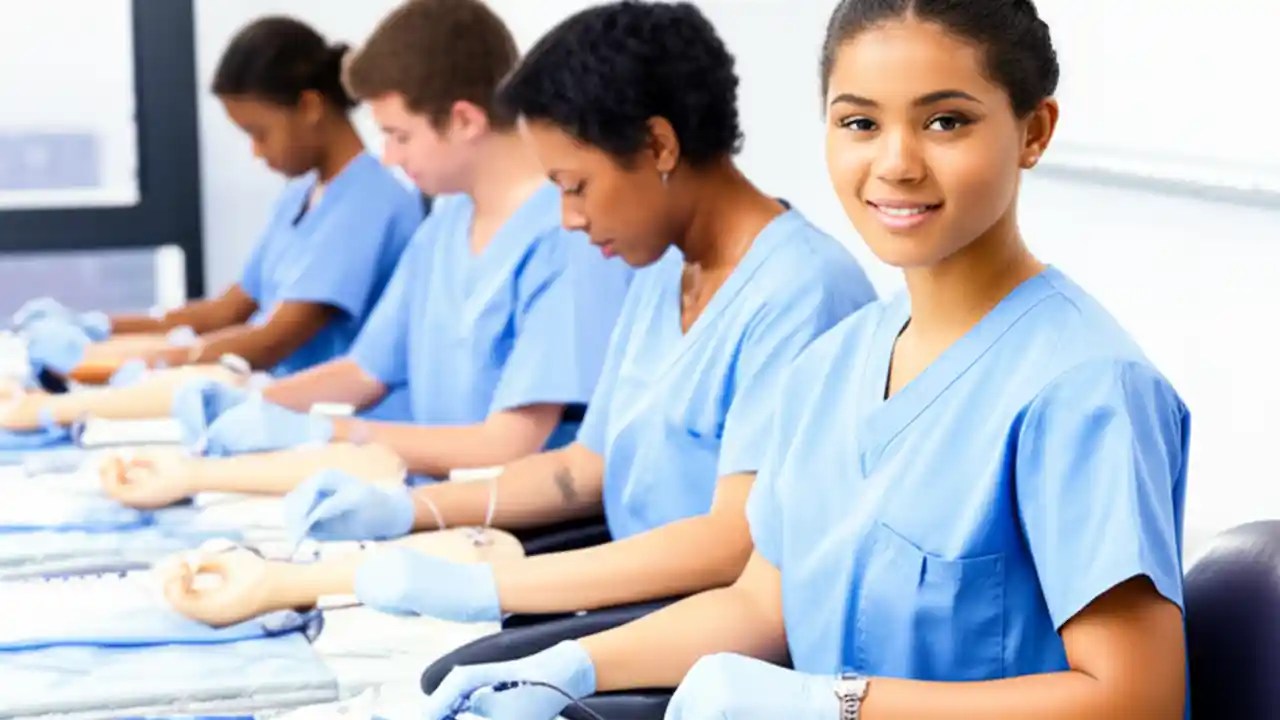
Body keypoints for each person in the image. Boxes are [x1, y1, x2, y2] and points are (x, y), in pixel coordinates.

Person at [417, 1, 1192, 719]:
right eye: (859, 123)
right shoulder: (833, 366)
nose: (896, 163)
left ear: (1034, 131)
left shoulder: (1085, 388)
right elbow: (760, 606)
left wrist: (840, 702)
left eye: (946, 122)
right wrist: (568, 665)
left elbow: (1137, 698)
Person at [153, 1, 877, 641]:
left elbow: (729, 545)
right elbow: (584, 469)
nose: (567, 216)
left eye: (575, 185)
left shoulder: (799, 294)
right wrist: (407, 512)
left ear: (658, 146)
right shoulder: (664, 270)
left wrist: (486, 587)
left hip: (704, 624)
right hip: (628, 587)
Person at [100, 0, 633, 501]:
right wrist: (251, 402)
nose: (389, 157)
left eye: (400, 136)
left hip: (515, 518)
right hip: (433, 497)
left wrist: (332, 431)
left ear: (465, 121)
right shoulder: (447, 222)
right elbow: (364, 371)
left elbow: (507, 444)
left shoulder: (569, 238)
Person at [18, 16, 423, 378]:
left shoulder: (372, 203)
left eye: (260, 133)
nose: (257, 153)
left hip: (338, 419)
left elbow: (272, 341)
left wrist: (140, 363)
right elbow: (225, 311)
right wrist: (101, 326)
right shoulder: (299, 196)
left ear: (310, 106)